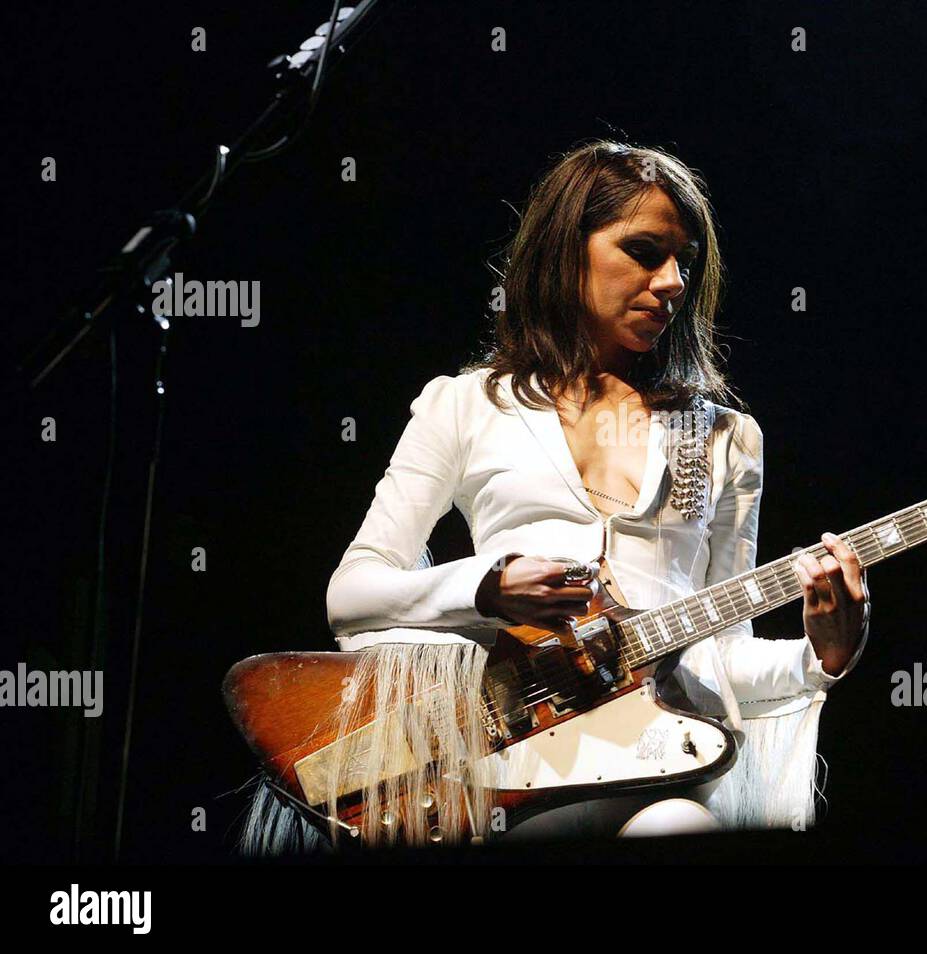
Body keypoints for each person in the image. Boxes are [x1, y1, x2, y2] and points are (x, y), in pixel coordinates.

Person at [238, 140, 870, 854]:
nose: (671, 283)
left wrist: (822, 656)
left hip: (657, 766)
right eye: (644, 250)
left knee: (681, 826)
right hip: (510, 765)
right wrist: (487, 587)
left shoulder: (727, 437)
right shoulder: (465, 406)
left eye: (684, 263)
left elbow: (721, 661)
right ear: (568, 249)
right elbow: (351, 596)